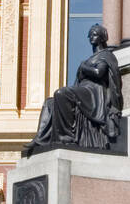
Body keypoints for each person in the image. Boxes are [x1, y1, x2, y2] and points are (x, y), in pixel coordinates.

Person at [23, 23, 123, 156]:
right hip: (83, 90)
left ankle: (66, 137)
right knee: (50, 102)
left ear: (102, 37)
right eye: (90, 34)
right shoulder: (91, 58)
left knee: (61, 93)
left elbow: (99, 72)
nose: (91, 37)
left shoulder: (106, 55)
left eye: (94, 34)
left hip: (94, 93)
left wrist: (84, 67)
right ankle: (40, 139)